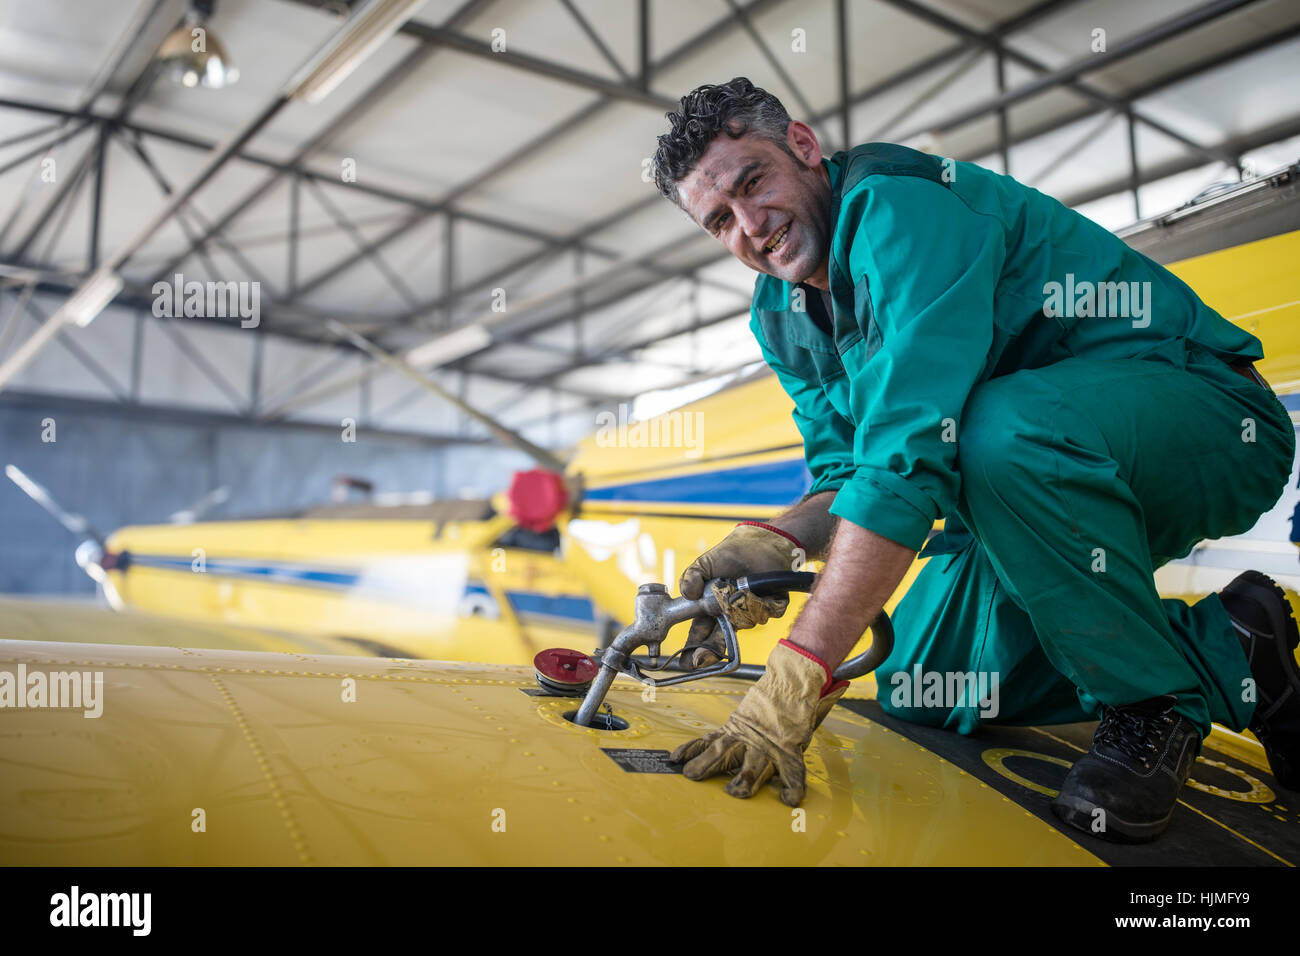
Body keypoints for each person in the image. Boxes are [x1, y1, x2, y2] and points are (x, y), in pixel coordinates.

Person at [650, 76, 1300, 843]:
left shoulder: (901, 209)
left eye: (754, 183)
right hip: (1027, 487)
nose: (752, 226)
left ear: (802, 145)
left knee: (994, 431)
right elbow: (846, 470)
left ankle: (1151, 705)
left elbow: (908, 454)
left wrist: (803, 667)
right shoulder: (782, 314)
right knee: (918, 681)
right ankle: (1238, 650)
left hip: (1205, 422)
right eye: (720, 219)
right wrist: (783, 537)